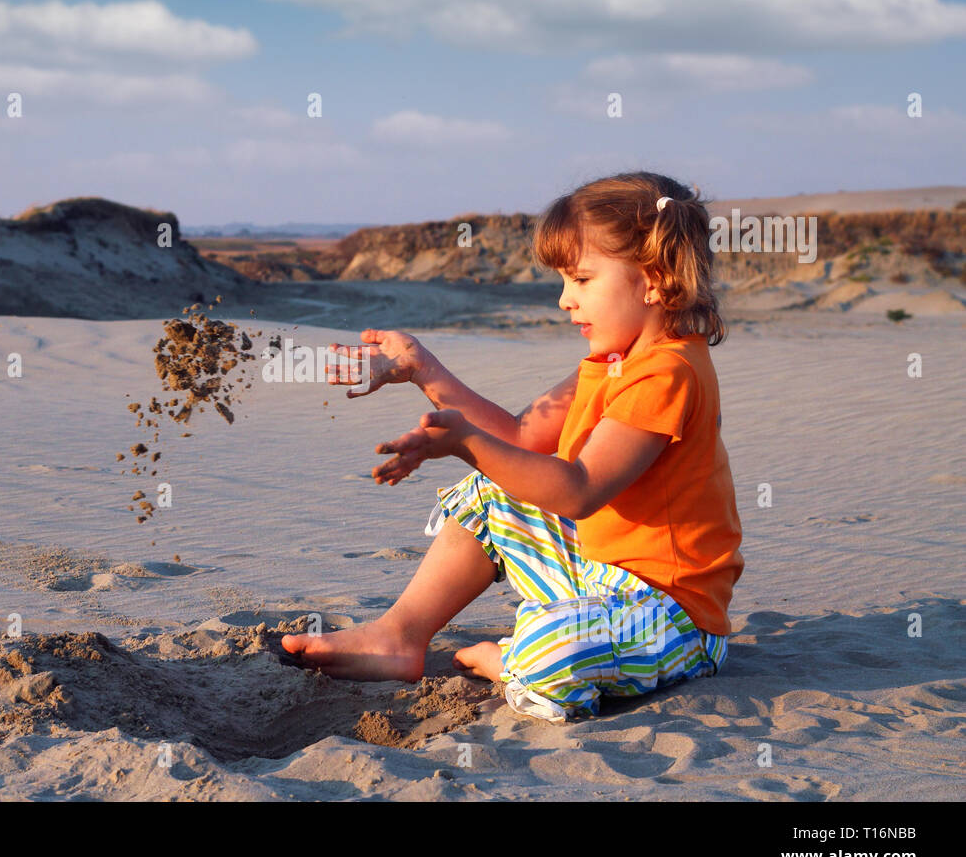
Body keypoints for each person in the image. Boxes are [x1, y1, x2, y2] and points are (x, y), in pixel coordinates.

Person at [281, 171, 743, 720]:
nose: (564, 300)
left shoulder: (665, 374)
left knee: (552, 649)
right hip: (600, 572)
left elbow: (580, 491)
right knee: (491, 491)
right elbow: (520, 438)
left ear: (655, 280)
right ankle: (398, 636)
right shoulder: (611, 363)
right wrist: (420, 367)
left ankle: (517, 662)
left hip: (669, 614)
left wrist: (465, 441)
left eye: (582, 279)